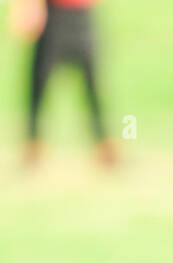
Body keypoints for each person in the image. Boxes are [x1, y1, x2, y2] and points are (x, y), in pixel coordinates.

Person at [12, 0, 117, 166]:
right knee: (39, 83)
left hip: (82, 13)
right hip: (53, 15)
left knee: (93, 86)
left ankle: (104, 146)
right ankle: (33, 145)